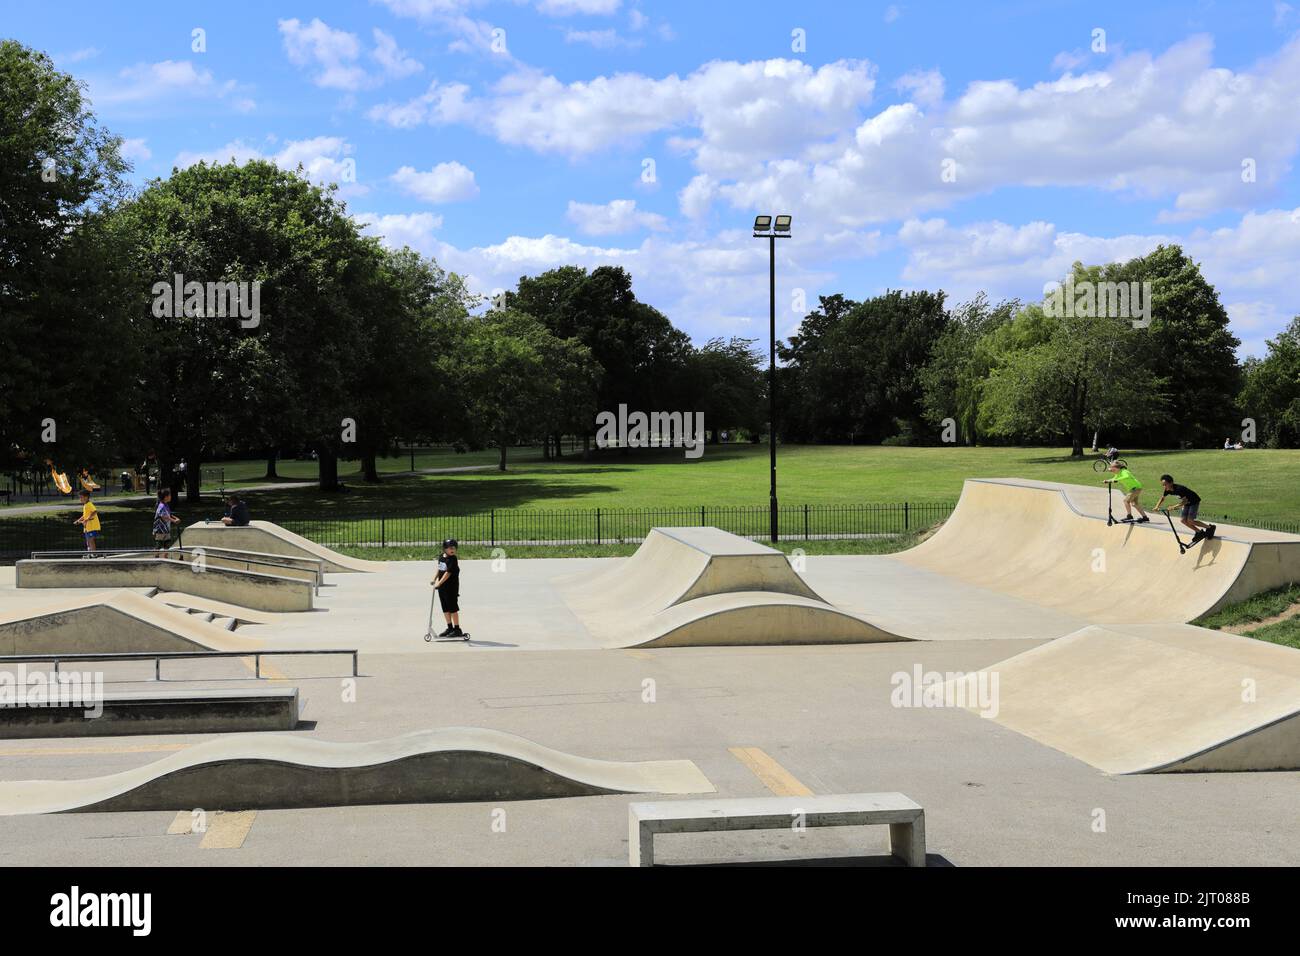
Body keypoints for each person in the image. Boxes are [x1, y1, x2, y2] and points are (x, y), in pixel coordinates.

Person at [1155, 474, 1216, 544]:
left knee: (1190, 521)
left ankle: (1210, 528)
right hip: (1186, 503)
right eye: (1163, 485)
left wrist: (1173, 507)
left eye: (1165, 484)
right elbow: (1162, 498)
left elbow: (1185, 501)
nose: (1164, 487)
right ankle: (1199, 532)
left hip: (1193, 501)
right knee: (1183, 520)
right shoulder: (1167, 489)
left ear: (1171, 483)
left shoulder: (1179, 489)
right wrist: (1157, 506)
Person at [430, 538, 463, 638]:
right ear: (444, 549)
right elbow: (440, 569)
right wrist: (434, 579)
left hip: (451, 588)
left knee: (452, 608)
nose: (452, 550)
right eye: (450, 548)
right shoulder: (442, 557)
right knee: (445, 608)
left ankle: (457, 629)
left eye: (454, 548)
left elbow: (448, 573)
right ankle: (450, 628)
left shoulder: (453, 559)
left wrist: (439, 583)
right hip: (442, 588)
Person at [152, 487, 181, 555]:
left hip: (166, 529)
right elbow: (163, 516)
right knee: (158, 545)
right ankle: (156, 558)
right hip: (160, 530)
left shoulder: (166, 505)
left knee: (167, 544)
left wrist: (176, 518)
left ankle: (165, 558)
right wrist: (174, 521)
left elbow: (169, 514)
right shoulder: (161, 506)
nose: (171, 497)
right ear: (165, 497)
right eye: (170, 495)